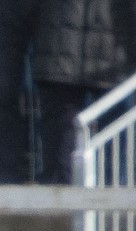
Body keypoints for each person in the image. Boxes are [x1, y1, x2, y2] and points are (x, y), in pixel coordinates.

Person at [32, 0, 136, 184]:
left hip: (86, 50)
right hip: (68, 47)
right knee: (102, 156)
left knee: (70, 157)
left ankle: (80, 200)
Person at [0, 0, 41, 184]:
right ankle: (9, 183)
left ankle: (59, 182)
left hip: (52, 8)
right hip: (1, 8)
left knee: (57, 91)